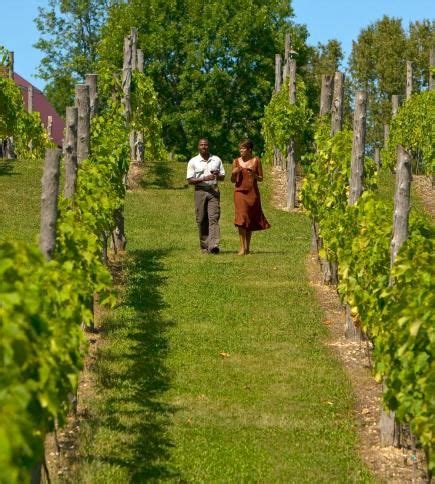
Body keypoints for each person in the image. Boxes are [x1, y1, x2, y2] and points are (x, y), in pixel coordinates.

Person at [231, 139, 270, 255]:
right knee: (241, 218)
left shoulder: (256, 160)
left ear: (249, 150)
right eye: (240, 148)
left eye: (243, 148)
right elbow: (232, 180)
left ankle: (247, 247)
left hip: (252, 194)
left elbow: (261, 178)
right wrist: (234, 173)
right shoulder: (236, 161)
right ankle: (242, 247)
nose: (241, 150)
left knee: (249, 219)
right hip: (240, 193)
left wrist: (254, 175)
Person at [187, 138, 225, 253]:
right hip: (200, 191)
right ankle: (204, 246)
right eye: (201, 145)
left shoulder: (216, 159)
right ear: (198, 147)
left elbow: (223, 176)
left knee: (214, 217)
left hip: (213, 190)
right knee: (202, 219)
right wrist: (204, 178)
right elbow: (189, 180)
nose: (204, 147)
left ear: (209, 146)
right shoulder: (193, 161)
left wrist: (217, 176)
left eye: (206, 145)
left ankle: (213, 245)